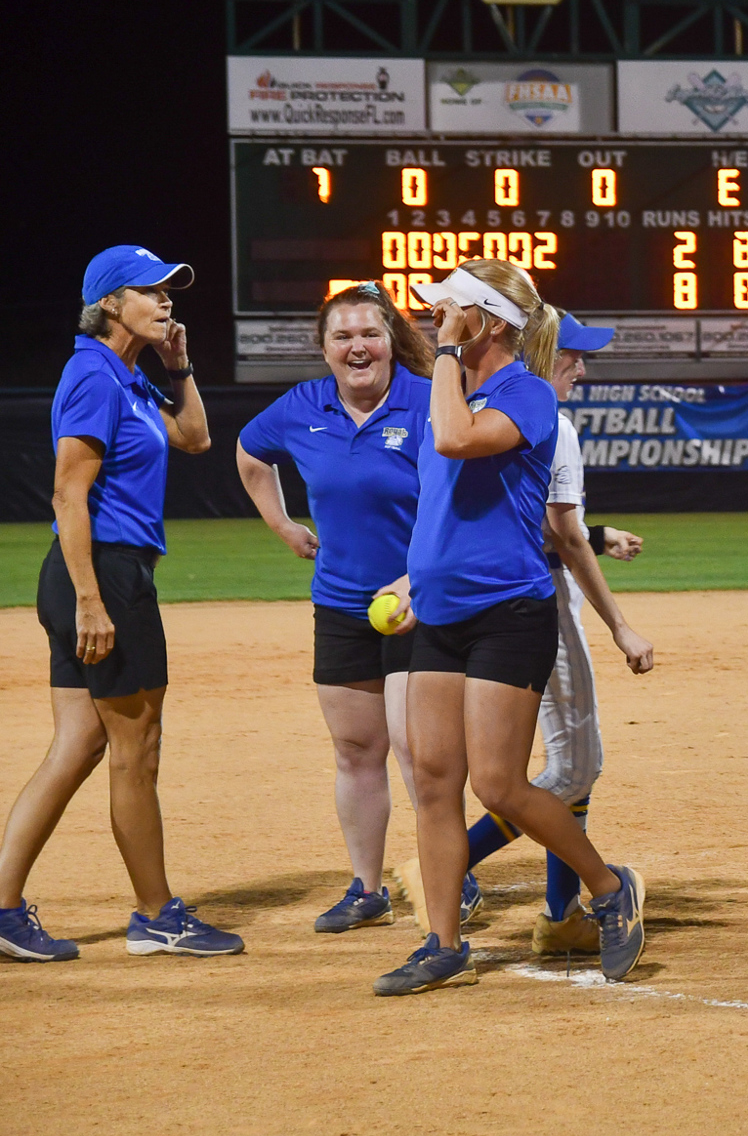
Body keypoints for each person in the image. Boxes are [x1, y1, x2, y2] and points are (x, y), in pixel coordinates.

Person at [369, 260, 644, 995]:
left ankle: (608, 887)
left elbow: (458, 442)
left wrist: (447, 353)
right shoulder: (448, 392)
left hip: (507, 612)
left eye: (451, 309)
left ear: (489, 321)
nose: (436, 319)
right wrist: (414, 578)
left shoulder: (527, 393)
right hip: (439, 612)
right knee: (434, 783)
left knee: (497, 783)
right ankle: (441, 943)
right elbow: (439, 505)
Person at [0, 245, 243, 962]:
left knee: (78, 745)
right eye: (151, 290)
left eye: (170, 290)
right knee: (137, 750)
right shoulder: (92, 374)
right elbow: (66, 492)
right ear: (110, 302)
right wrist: (91, 600)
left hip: (102, 573)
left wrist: (178, 366)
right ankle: (157, 915)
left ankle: (2, 909)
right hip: (103, 574)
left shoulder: (128, 378)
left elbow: (195, 438)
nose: (167, 300)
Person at [237, 282, 432, 933]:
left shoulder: (428, 402)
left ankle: (450, 877)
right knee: (355, 749)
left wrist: (416, 577)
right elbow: (249, 452)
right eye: (342, 336)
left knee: (417, 749)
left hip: (423, 603)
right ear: (324, 348)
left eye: (370, 333)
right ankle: (367, 889)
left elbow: (460, 500)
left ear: (391, 341)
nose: (358, 347)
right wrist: (282, 525)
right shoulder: (303, 406)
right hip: (342, 604)